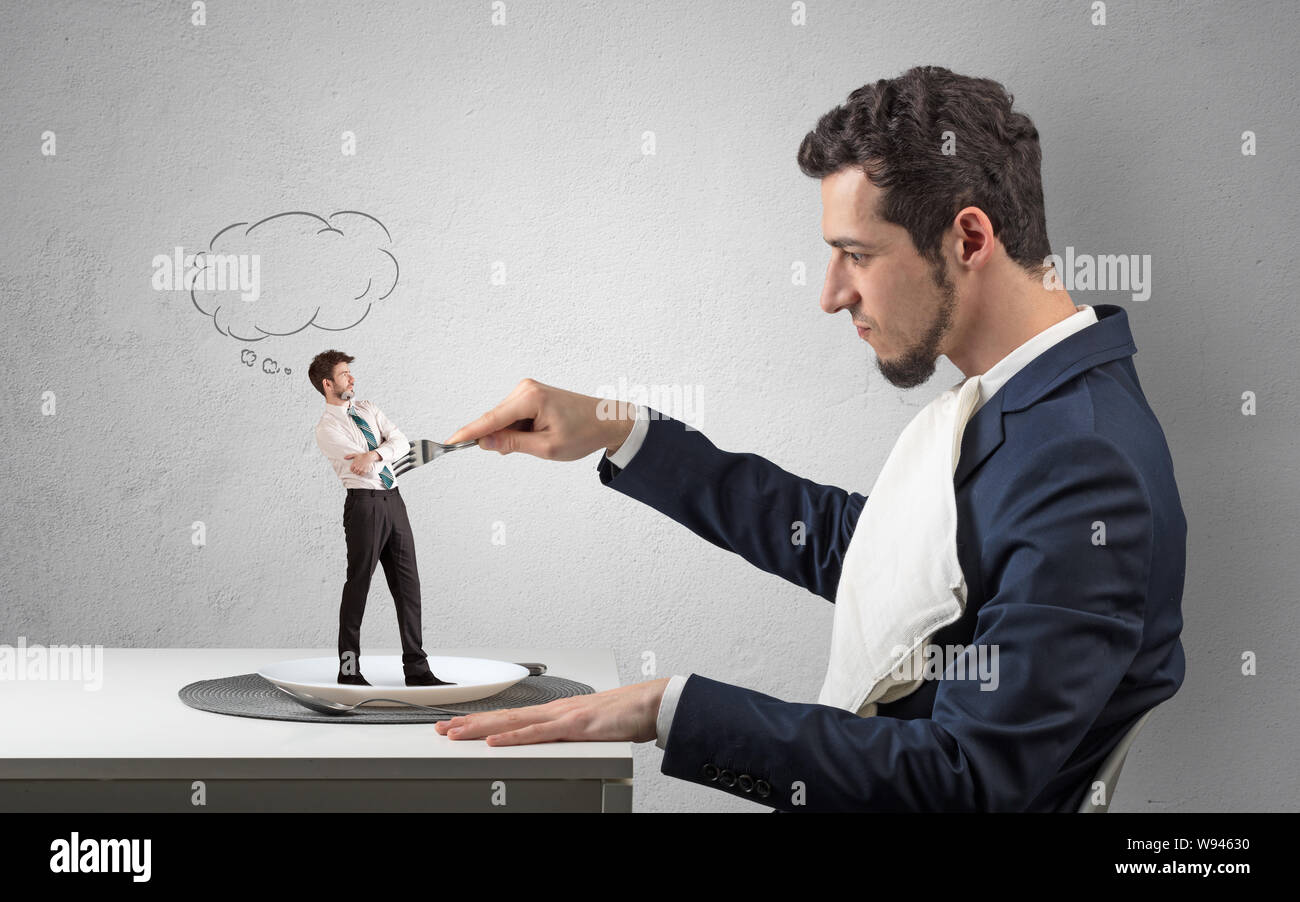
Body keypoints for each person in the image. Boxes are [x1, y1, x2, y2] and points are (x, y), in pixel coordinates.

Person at [431, 66, 1186, 813]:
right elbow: (884, 560)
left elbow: (967, 780)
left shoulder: (1083, 465)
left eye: (857, 254)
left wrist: (671, 709)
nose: (831, 295)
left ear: (969, 237)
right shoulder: (1028, 402)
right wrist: (621, 430)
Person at [308, 350, 452, 687]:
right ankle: (348, 671)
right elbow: (360, 465)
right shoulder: (327, 428)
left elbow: (401, 443)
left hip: (394, 502)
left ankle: (417, 670)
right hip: (364, 506)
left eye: (350, 373)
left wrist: (373, 454)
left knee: (408, 585)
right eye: (344, 374)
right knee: (358, 585)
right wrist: (377, 455)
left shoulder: (369, 409)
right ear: (328, 384)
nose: (352, 379)